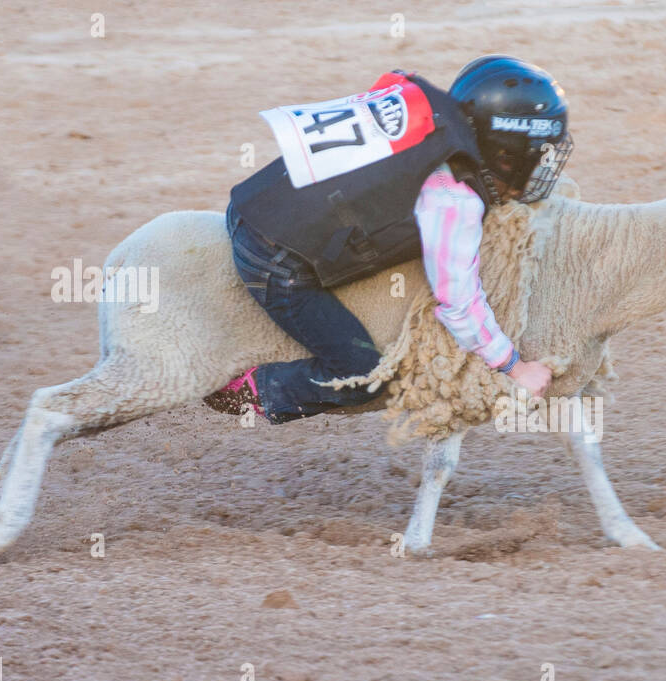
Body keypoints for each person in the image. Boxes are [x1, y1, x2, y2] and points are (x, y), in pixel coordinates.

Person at [204, 55, 573, 423]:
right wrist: (514, 366)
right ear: (506, 153)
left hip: (254, 202)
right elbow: (458, 303)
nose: (541, 164)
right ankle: (246, 392)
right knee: (360, 376)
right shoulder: (455, 197)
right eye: (537, 153)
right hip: (271, 256)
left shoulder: (424, 109)